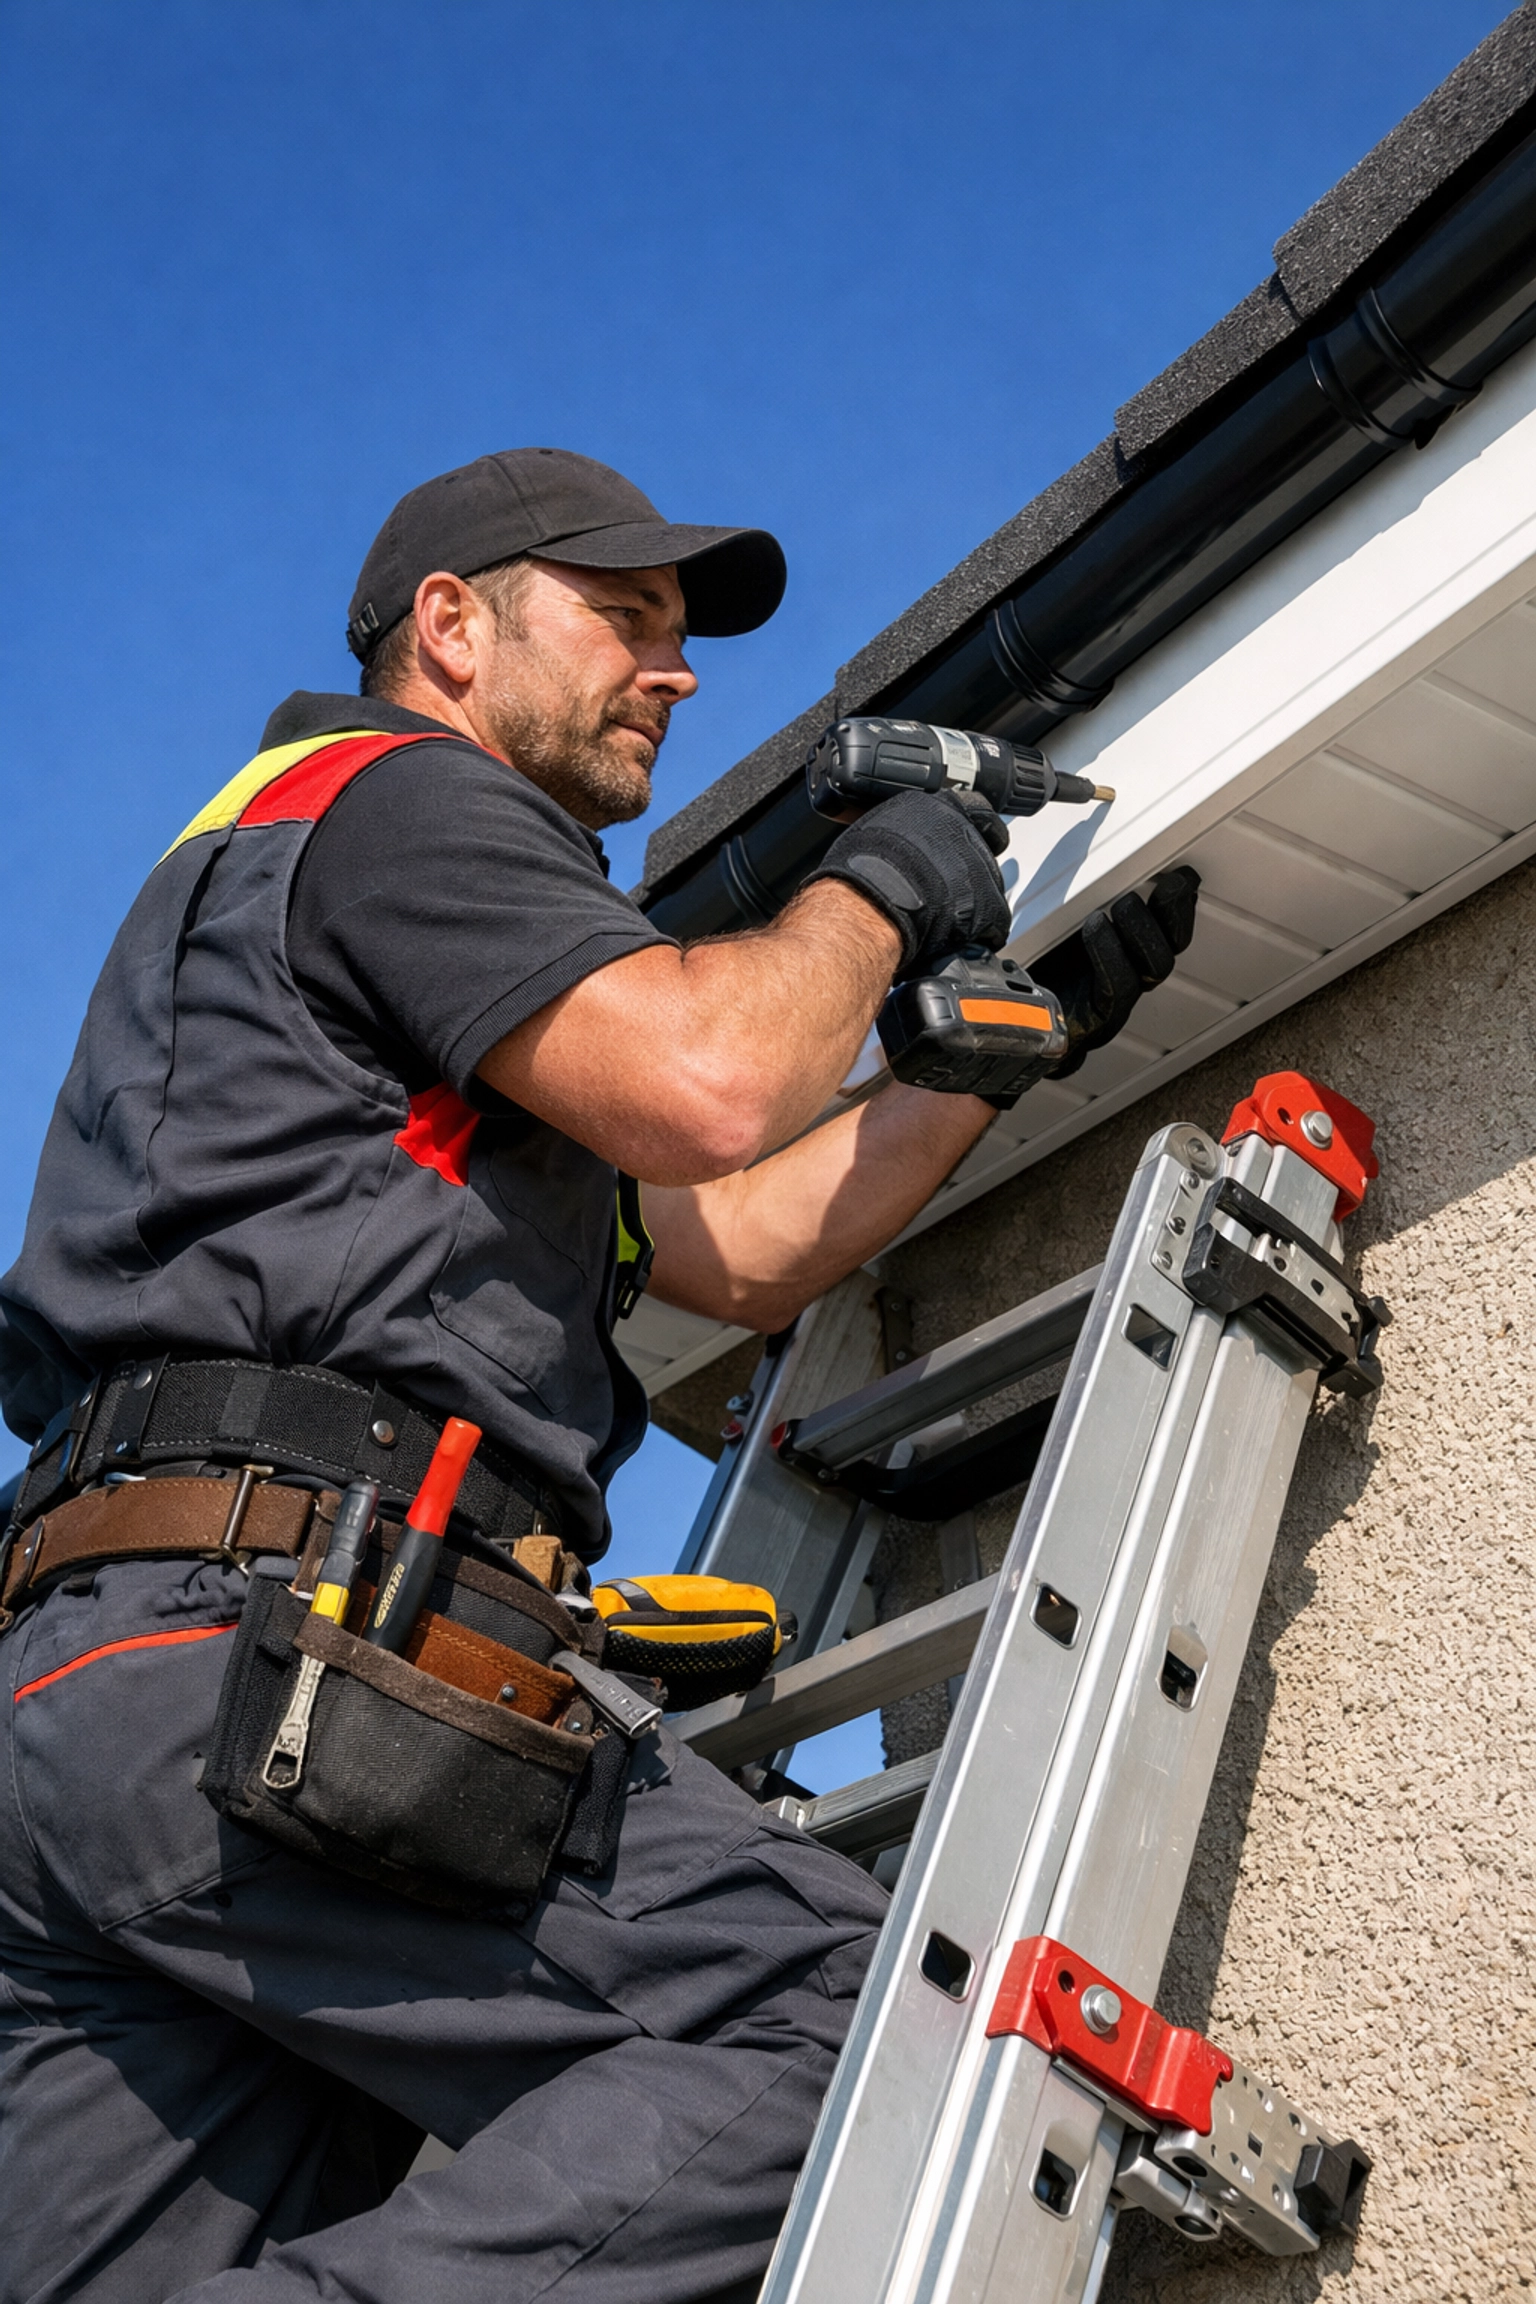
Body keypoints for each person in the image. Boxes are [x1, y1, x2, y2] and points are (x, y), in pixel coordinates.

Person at [0, 449, 1189, 2304]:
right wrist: (882, 878)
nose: (679, 666)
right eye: (627, 616)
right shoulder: (401, 802)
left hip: (106, 1690)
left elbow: (735, 1234)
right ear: (452, 630)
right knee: (863, 2045)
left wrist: (987, 1063)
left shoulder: (384, 1005)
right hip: (284, 1650)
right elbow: (711, 1079)